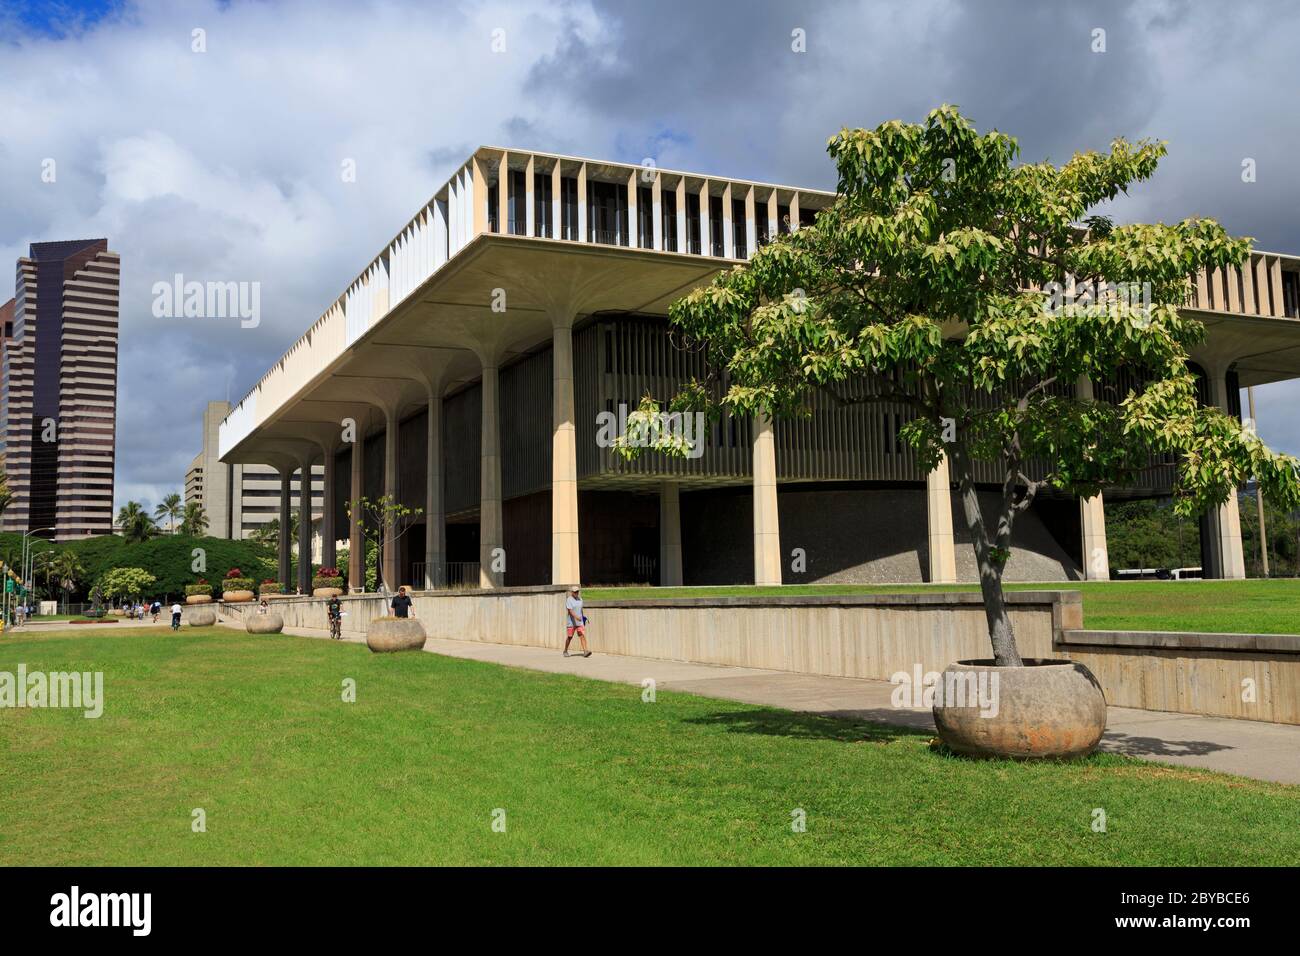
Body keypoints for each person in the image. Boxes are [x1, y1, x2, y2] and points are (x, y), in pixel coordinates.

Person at [563, 584, 591, 658]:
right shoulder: (569, 600)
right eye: (575, 592)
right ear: (572, 592)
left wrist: (583, 618)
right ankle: (565, 650)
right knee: (570, 637)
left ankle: (585, 651)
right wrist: (576, 617)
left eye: (577, 591)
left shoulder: (580, 599)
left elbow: (581, 610)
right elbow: (570, 611)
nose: (576, 593)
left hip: (579, 622)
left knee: (582, 635)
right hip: (571, 622)